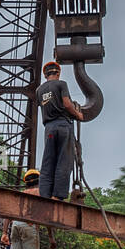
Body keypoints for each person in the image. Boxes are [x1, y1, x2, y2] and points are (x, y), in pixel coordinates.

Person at [36, 60, 83, 201]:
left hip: (49, 128)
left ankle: (45, 195)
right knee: (64, 160)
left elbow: (45, 105)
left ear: (45, 75)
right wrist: (77, 114)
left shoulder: (39, 90)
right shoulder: (61, 84)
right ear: (58, 72)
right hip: (63, 125)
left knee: (48, 160)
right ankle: (58, 195)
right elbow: (67, 104)